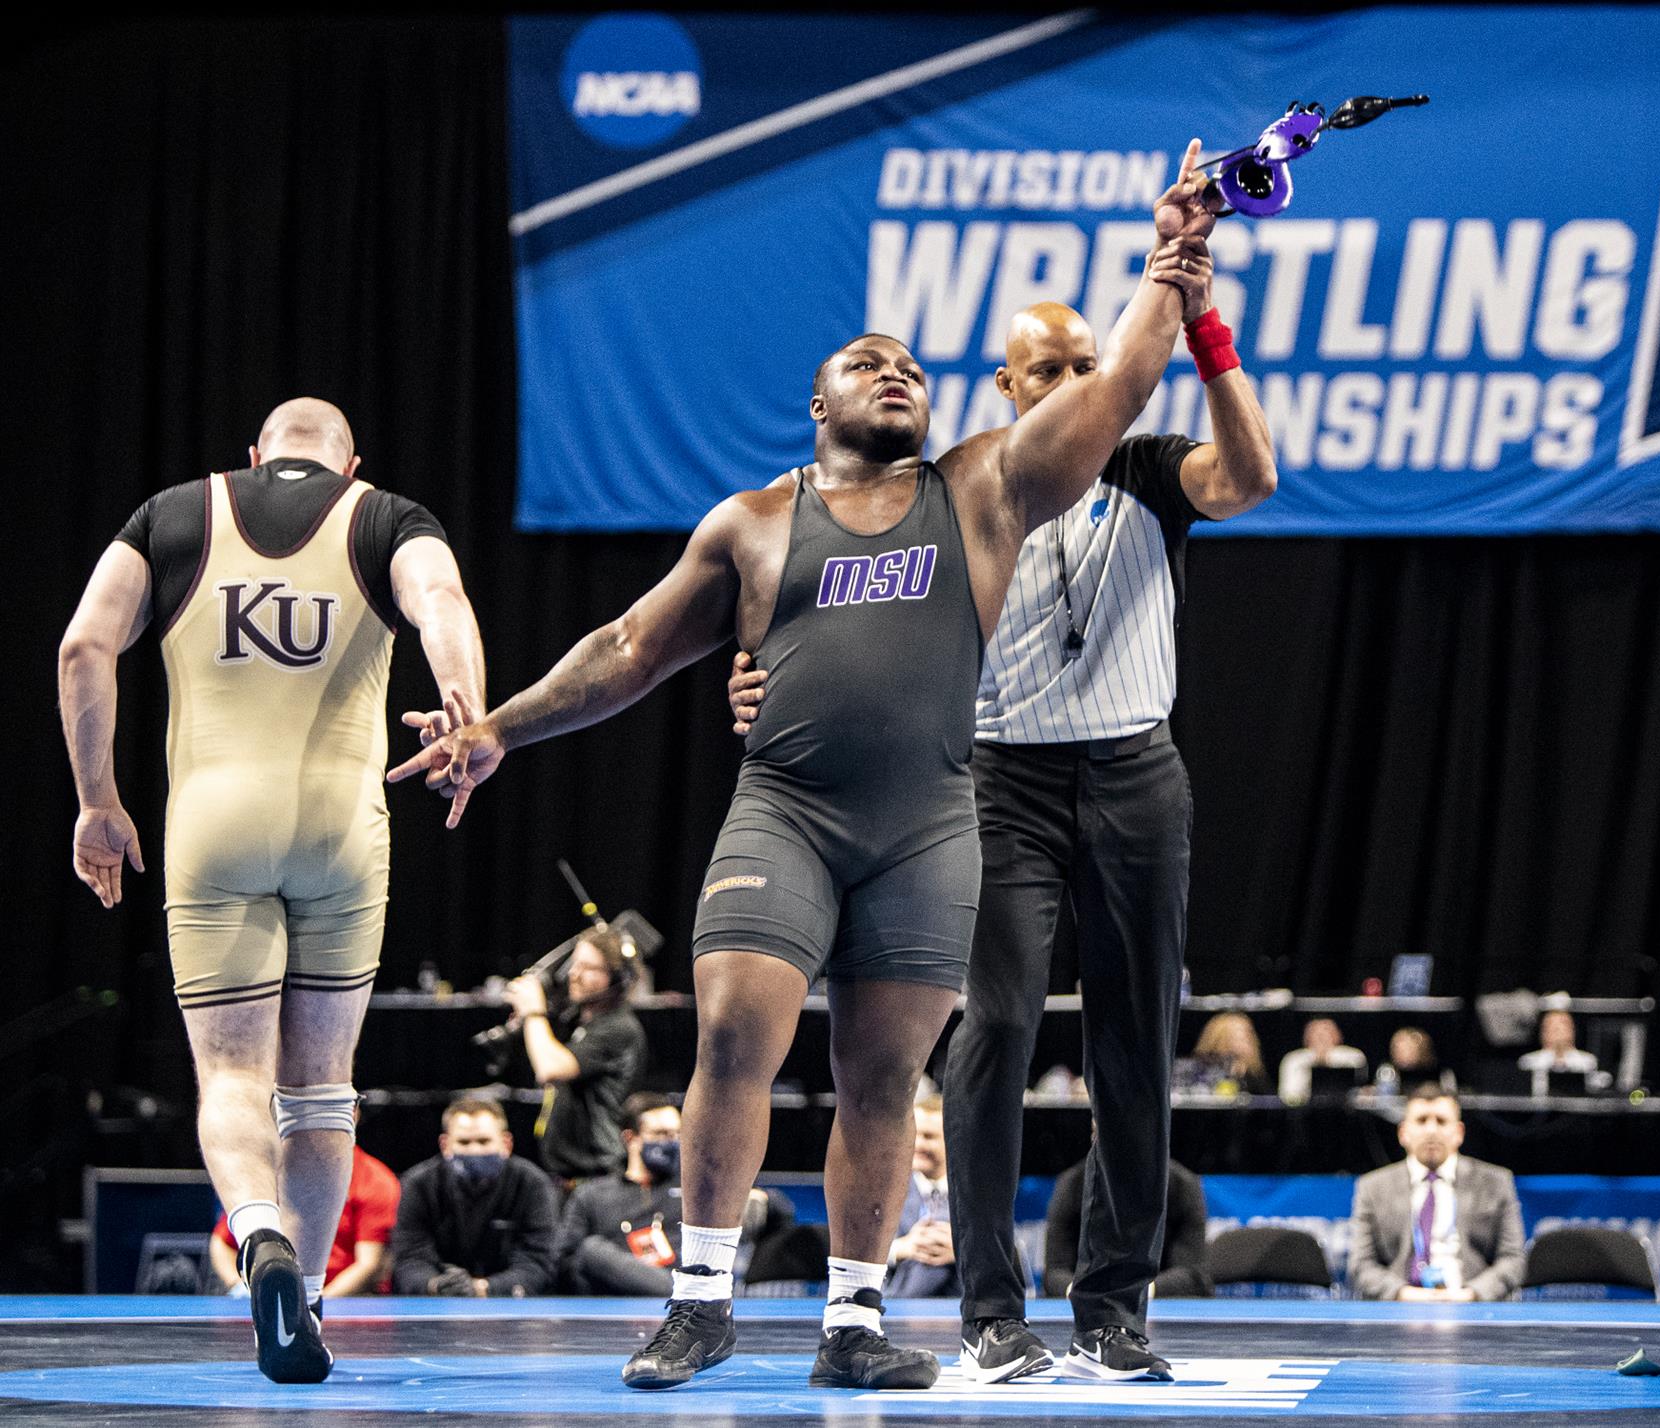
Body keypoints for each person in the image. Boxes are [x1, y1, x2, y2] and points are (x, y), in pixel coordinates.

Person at [389, 143, 1218, 1393]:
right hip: (788, 812)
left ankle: (851, 1320)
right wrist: (498, 726)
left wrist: (1171, 261)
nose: (893, 369)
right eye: (862, 365)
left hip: (933, 824)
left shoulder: (984, 488)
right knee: (733, 1032)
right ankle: (701, 1298)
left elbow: (1114, 390)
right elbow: (627, 647)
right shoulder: (754, 522)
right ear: (816, 405)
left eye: (912, 368)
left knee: (882, 1075)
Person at [725, 192, 1274, 1390]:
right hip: (995, 783)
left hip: (1136, 774)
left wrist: (1204, 331)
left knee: (1138, 1046)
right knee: (995, 1037)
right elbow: (825, 609)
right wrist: (755, 675)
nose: (1077, 378)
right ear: (1007, 388)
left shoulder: (1141, 469)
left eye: (1091, 361)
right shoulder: (960, 491)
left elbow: (1250, 479)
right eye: (1051, 367)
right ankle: (988, 1309)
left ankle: (1113, 1305)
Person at [58, 398, 483, 1383]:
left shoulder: (172, 514)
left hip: (213, 825)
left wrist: (98, 802)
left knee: (234, 1079)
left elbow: (83, 646)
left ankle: (261, 1240)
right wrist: (466, 716)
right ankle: (315, 1301)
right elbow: (442, 602)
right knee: (321, 1087)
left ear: (254, 455)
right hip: (341, 830)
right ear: (351, 462)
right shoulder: (387, 517)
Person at [560, 1092, 791, 1295]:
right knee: (592, 1250)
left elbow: (783, 1215)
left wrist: (761, 1198)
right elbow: (566, 1260)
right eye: (661, 1134)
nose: (671, 1143)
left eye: (676, 1134)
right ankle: (678, 1291)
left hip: (687, 1281)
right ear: (631, 1138)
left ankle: (684, 1291)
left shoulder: (698, 1188)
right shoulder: (593, 1194)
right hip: (620, 1296)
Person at [1347, 1086, 1525, 1302]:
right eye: (1422, 1120)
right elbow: (1360, 1265)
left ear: (1459, 1133)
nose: (1431, 1130)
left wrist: (1472, 1294)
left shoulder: (1496, 1182)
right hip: (1400, 1308)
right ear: (1403, 1133)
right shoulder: (1372, 1187)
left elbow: (1513, 1260)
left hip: (1472, 1306)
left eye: (1441, 1121)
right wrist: (1402, 1294)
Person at [506, 926, 648, 1184]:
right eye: (575, 964)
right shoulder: (579, 1022)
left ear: (618, 978)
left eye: (589, 968)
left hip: (597, 1175)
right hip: (568, 1176)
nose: (574, 974)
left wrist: (533, 1013)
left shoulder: (619, 1028)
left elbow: (549, 1067)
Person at [209, 1117, 400, 1298]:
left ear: (353, 1115)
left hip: (346, 1303)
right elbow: (222, 1244)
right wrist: (239, 1286)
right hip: (272, 1298)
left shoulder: (376, 1181)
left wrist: (312, 1303)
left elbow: (368, 1264)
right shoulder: (270, 1175)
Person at [391, 1098, 560, 1297]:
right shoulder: (418, 1185)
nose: (474, 1150)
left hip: (508, 1305)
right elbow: (410, 1259)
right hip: (439, 1303)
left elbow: (538, 1261)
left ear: (506, 1143)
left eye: (483, 1141)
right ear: (445, 1145)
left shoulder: (532, 1184)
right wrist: (436, 1285)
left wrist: (484, 1288)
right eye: (464, 1142)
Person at [1044, 1153, 1211, 1301]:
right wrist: (1082, 1292)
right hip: (1086, 1310)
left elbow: (1193, 1274)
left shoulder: (1182, 1186)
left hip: (1162, 1308)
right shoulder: (1072, 1184)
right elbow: (1055, 1271)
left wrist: (1136, 1293)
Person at [883, 1094, 956, 1298]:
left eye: (929, 1137)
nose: (918, 1145)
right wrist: (903, 1248)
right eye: (914, 1134)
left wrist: (962, 1252)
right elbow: (856, 1252)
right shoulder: (884, 1189)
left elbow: (1008, 1253)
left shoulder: (976, 1191)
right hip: (893, 1298)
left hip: (960, 1299)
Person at [1277, 1018, 1369, 1105]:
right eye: (1315, 1033)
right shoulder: (1293, 1059)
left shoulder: (1353, 1056)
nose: (1321, 1037)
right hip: (1303, 1112)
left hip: (1348, 1112)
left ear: (1338, 1036)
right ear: (1306, 1038)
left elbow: (1360, 1092)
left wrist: (1325, 1057)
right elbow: (1287, 1095)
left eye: (1327, 1032)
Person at [1186, 1011, 1274, 1097]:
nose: (1244, 1042)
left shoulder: (1256, 1077)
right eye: (1236, 1037)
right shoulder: (1202, 1071)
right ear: (1219, 1039)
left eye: (1247, 1035)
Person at [1516, 1007, 1598, 1097]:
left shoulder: (1587, 1061)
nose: (1557, 1029)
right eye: (1551, 1025)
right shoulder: (1528, 1062)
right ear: (1543, 1032)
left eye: (1563, 1024)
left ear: (1573, 1030)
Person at [1385, 1026, 1456, 1094]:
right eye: (1397, 1048)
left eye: (1407, 1048)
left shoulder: (1442, 1074)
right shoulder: (1389, 1074)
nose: (1400, 1052)